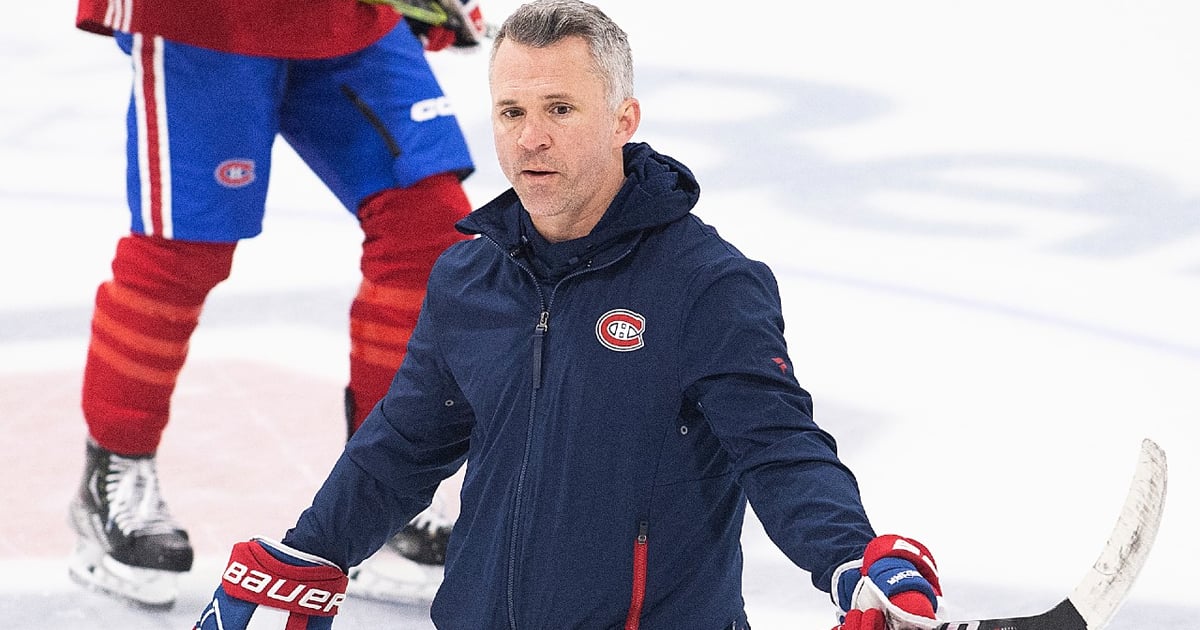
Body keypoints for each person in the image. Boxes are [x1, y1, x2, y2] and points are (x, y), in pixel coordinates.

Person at [192, 1, 945, 628]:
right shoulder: (468, 278)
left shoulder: (704, 284)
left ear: (623, 118)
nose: (531, 138)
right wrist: (310, 553)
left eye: (560, 108)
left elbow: (779, 449)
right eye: (511, 111)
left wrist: (850, 559)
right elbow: (402, 448)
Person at [67, 0, 489, 610]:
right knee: (185, 250)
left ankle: (384, 487)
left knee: (425, 228)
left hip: (347, 18)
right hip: (208, 21)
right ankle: (113, 475)